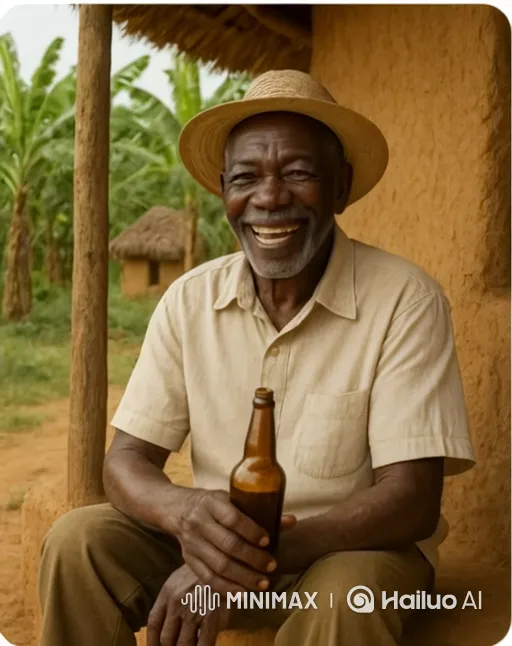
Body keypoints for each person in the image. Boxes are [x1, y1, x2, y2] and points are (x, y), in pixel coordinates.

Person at [38, 70, 476, 646]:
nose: (270, 198)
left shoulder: (405, 300)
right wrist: (187, 514)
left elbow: (412, 501)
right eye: (246, 177)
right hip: (216, 549)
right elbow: (125, 462)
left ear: (341, 186)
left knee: (349, 597)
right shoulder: (189, 300)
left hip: (353, 554)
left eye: (298, 173)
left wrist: (235, 561)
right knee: (78, 542)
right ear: (224, 190)